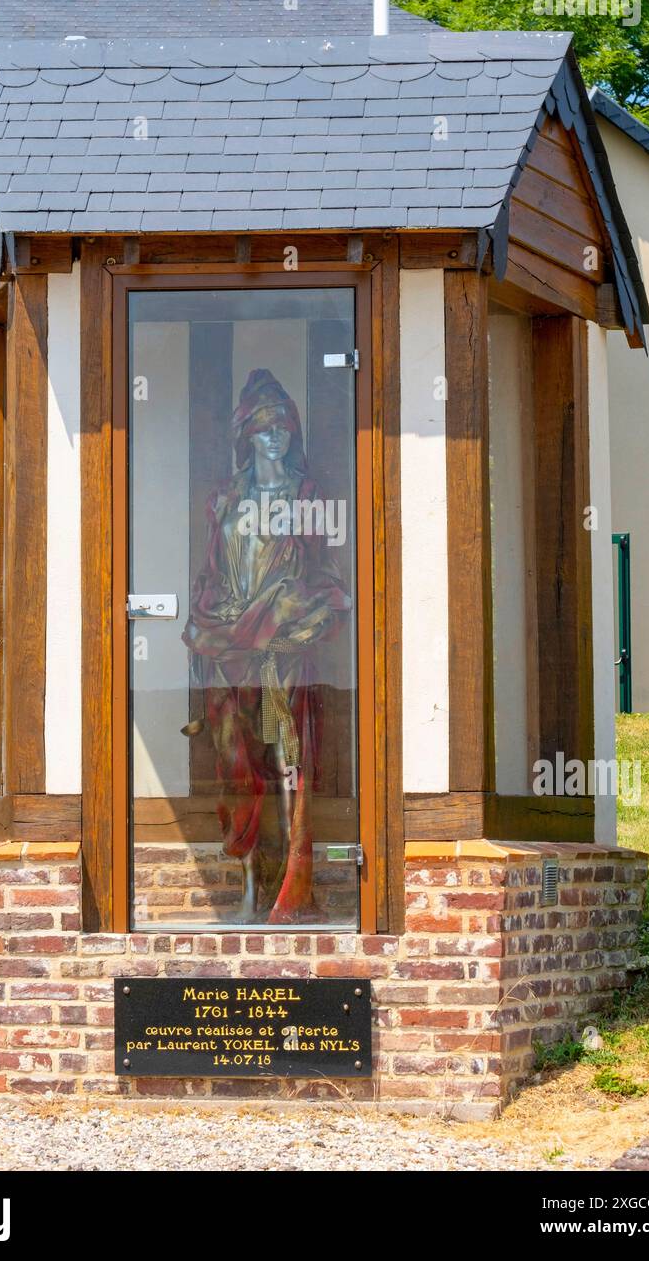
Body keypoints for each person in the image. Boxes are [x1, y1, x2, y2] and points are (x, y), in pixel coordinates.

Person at [182, 368, 351, 923]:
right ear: (246, 436)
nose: (274, 436)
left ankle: (293, 891)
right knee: (240, 767)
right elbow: (208, 575)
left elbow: (328, 572)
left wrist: (298, 611)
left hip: (285, 655)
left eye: (282, 426)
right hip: (229, 650)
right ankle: (249, 887)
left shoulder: (306, 495)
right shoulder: (225, 498)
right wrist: (212, 625)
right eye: (262, 427)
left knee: (289, 767)